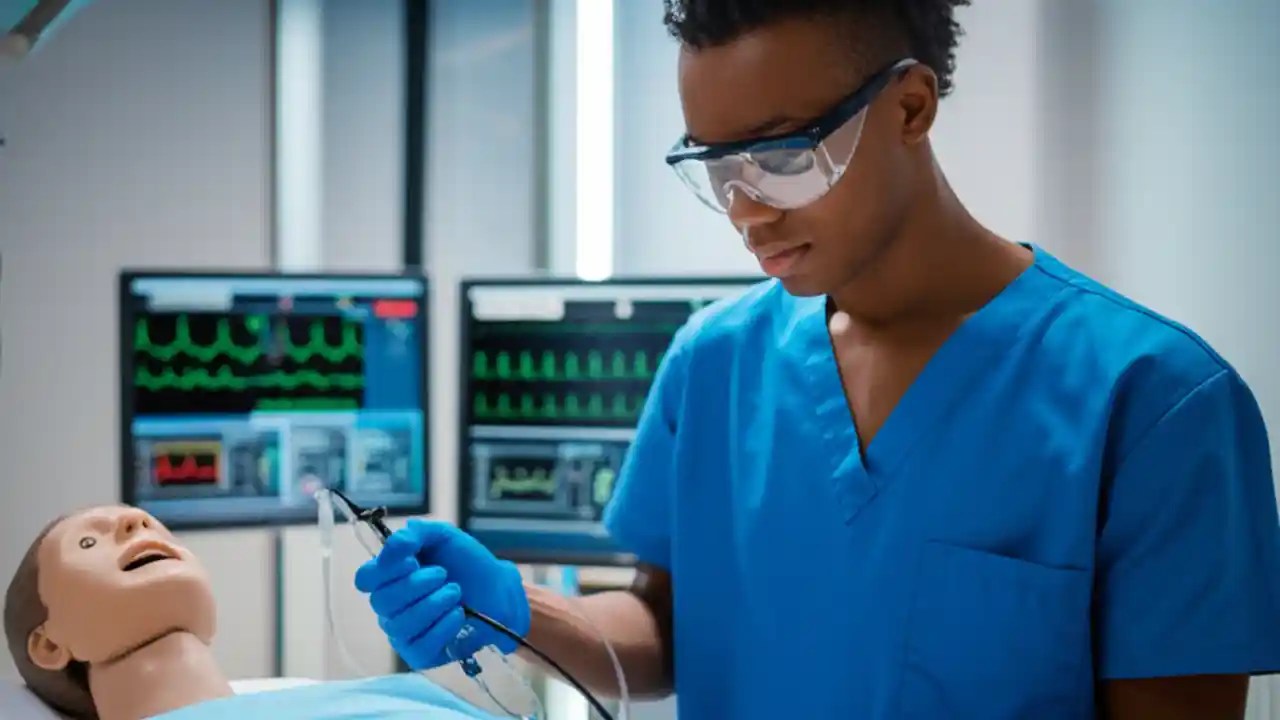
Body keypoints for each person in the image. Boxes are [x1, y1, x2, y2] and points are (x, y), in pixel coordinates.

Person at [354, 1, 1280, 718]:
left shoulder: (1155, 403)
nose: (749, 211)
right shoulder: (713, 364)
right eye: (717, 168)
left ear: (911, 107)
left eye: (783, 158)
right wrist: (517, 612)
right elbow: (668, 632)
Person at [3, 505, 501, 720]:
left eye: (151, 524)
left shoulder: (388, 691)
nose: (137, 521)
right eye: (88, 541)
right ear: (48, 644)